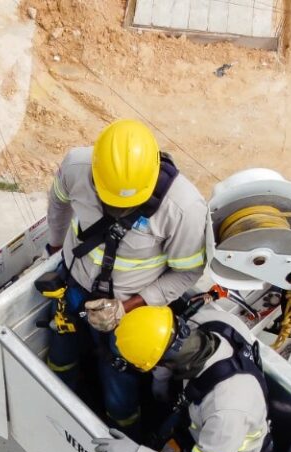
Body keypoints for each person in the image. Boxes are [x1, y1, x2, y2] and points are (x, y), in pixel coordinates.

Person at [44, 118, 209, 435]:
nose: (117, 209)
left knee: (119, 378)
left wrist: (128, 306)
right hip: (74, 285)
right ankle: (55, 402)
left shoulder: (183, 208)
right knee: (61, 350)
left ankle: (124, 432)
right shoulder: (76, 166)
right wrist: (55, 244)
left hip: (130, 311)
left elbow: (187, 272)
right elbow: (58, 204)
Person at [93, 302, 272, 452]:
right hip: (199, 423)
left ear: (164, 361)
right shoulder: (211, 322)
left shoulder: (226, 409)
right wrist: (161, 381)